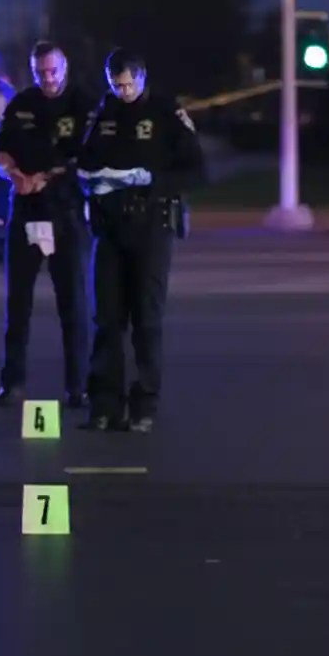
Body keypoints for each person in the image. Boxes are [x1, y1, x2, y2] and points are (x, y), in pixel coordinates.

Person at [76, 48, 206, 432]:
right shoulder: (105, 112)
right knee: (107, 320)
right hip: (110, 229)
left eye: (128, 84)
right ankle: (103, 405)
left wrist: (151, 180)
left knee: (146, 319)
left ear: (142, 77)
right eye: (116, 85)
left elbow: (197, 172)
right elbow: (84, 160)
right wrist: (92, 178)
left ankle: (144, 405)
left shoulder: (167, 113)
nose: (123, 91)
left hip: (150, 226)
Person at [0, 41, 96, 410]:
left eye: (53, 70)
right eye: (41, 72)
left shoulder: (82, 104)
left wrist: (46, 177)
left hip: (66, 214)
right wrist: (14, 174)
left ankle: (78, 386)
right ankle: (13, 382)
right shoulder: (23, 105)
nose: (48, 78)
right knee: (17, 304)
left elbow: (87, 157)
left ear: (64, 66)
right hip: (26, 213)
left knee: (75, 304)